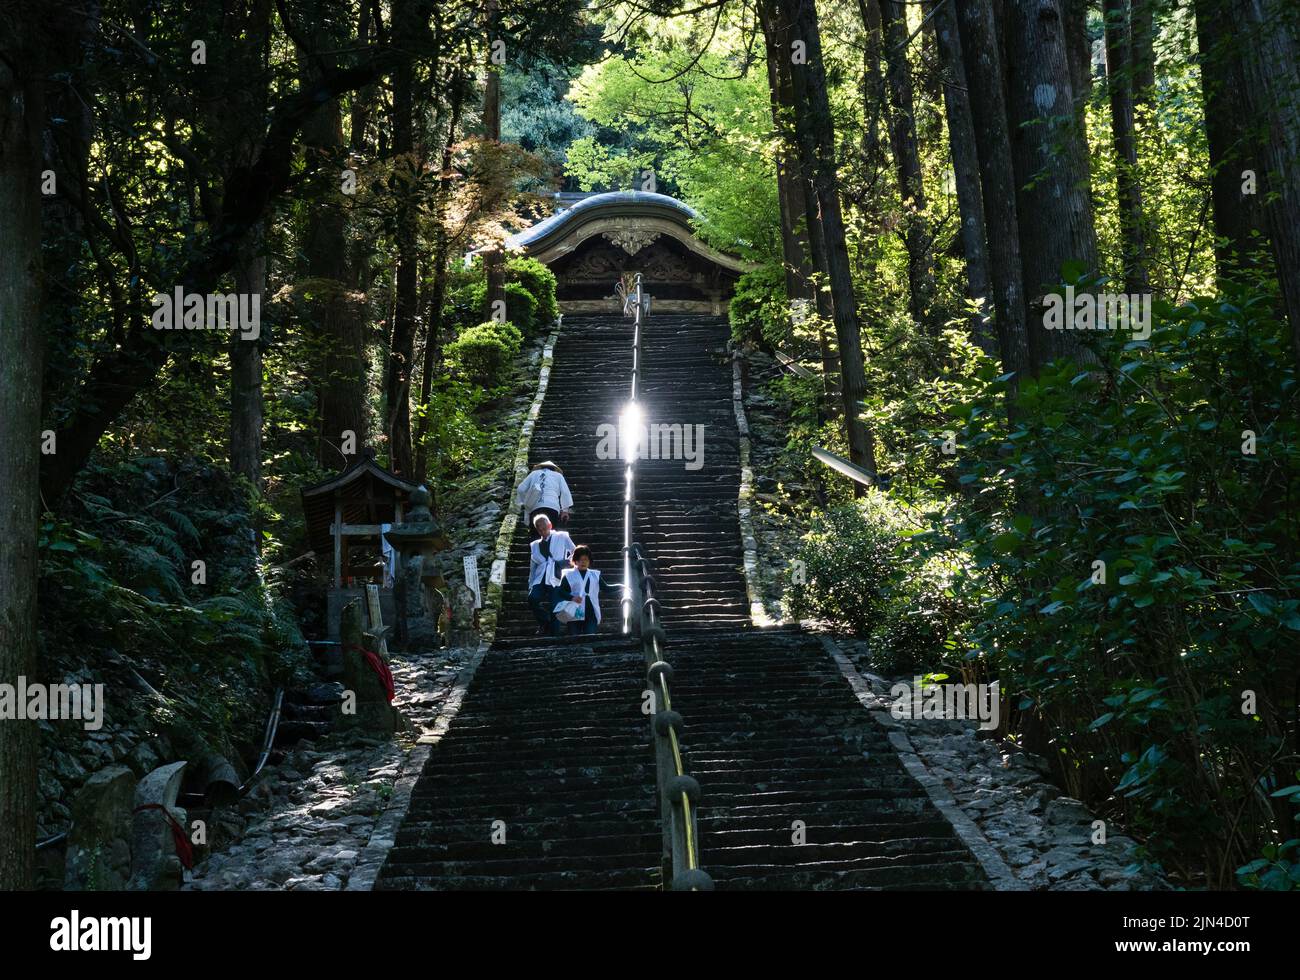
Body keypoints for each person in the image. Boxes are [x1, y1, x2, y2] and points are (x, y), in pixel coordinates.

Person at [527, 514, 574, 637]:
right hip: (540, 577)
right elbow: (533, 567)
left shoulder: (562, 536)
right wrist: (531, 583)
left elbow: (575, 551)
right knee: (532, 598)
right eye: (539, 529)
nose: (542, 531)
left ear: (550, 525)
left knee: (555, 605)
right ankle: (545, 622)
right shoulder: (535, 545)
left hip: (557, 576)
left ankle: (555, 633)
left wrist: (566, 563)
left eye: (544, 528)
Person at [516, 461, 573, 539]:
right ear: (553, 469)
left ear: (541, 467)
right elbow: (565, 492)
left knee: (536, 535)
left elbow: (521, 489)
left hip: (535, 507)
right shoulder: (558, 476)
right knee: (551, 535)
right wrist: (565, 510)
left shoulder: (533, 474)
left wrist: (525, 502)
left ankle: (536, 549)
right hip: (553, 507)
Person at [556, 545, 602, 636]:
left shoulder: (595, 575)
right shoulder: (568, 575)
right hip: (574, 613)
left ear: (589, 561)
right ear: (575, 561)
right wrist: (572, 597)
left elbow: (606, 588)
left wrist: (622, 587)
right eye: (580, 559)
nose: (583, 562)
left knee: (590, 638)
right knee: (574, 639)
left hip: (591, 613)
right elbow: (560, 591)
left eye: (586, 559)